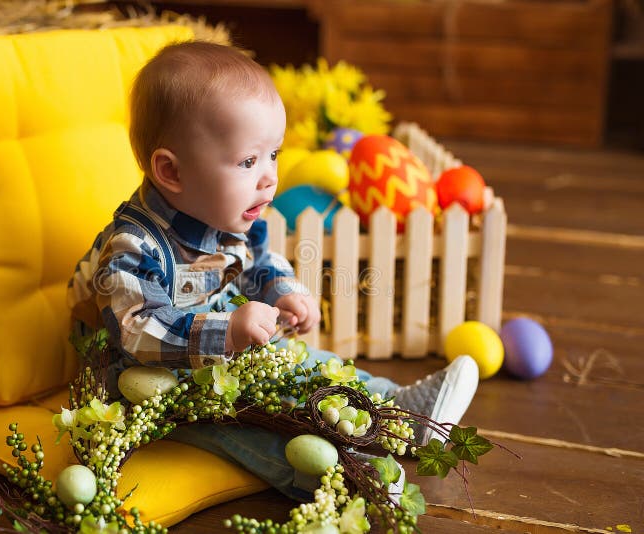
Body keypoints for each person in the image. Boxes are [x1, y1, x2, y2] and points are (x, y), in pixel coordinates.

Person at [67, 40, 478, 500]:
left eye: (273, 155)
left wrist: (283, 292)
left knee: (303, 366)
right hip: (140, 375)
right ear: (172, 172)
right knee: (235, 422)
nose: (269, 177)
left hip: (217, 335)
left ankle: (396, 411)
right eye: (248, 161)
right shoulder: (134, 248)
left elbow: (258, 259)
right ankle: (329, 474)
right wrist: (226, 331)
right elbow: (136, 330)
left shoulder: (226, 212)